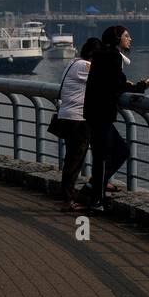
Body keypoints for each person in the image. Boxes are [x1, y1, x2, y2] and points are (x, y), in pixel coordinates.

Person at [82, 25, 149, 213]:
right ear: (117, 39)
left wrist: (125, 83)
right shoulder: (113, 56)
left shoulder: (100, 55)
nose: (130, 39)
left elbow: (113, 82)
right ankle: (95, 199)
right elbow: (117, 86)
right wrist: (142, 85)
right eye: (126, 36)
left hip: (93, 112)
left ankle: (94, 189)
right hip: (102, 113)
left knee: (115, 152)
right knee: (106, 157)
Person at [54, 37, 101, 211]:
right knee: (74, 161)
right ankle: (67, 199)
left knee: (72, 159)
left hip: (68, 117)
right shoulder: (84, 66)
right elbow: (103, 80)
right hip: (77, 119)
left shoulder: (73, 63)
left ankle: (70, 196)